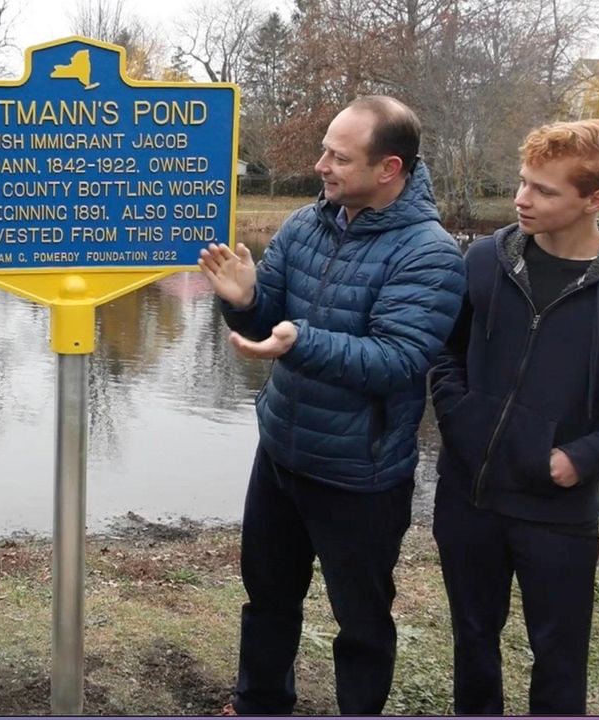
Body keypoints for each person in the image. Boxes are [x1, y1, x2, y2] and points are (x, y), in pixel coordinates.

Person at [197, 95, 466, 714]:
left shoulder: (429, 253)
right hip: (282, 454)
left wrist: (301, 341)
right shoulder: (304, 224)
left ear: (389, 168)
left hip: (360, 474)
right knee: (266, 599)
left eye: (339, 157)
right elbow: (269, 323)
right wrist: (244, 300)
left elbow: (398, 360)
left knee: (361, 622)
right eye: (325, 149)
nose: (321, 165)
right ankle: (260, 704)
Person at [429, 119, 599, 714]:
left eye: (544, 190)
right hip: (469, 496)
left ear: (597, 200)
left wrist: (583, 459)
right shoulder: (487, 258)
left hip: (558, 509)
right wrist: (461, 422)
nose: (521, 199)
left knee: (560, 656)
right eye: (522, 182)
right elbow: (446, 354)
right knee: (472, 643)